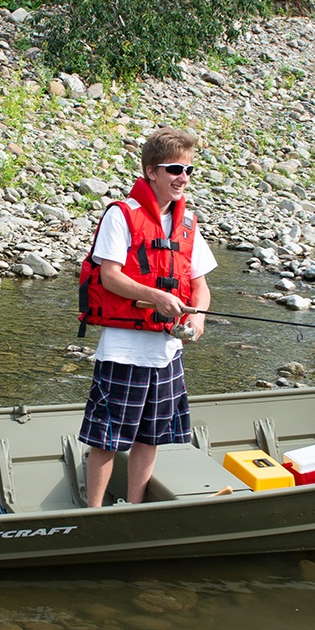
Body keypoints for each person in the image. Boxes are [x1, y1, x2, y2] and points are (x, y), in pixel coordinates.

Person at [74, 127, 216, 507]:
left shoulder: (188, 223)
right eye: (175, 169)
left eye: (188, 170)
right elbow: (110, 276)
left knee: (150, 437)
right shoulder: (121, 215)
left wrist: (198, 318)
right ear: (151, 172)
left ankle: (135, 508)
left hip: (166, 353)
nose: (183, 178)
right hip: (123, 351)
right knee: (106, 439)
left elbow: (200, 285)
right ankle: (94, 513)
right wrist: (157, 296)